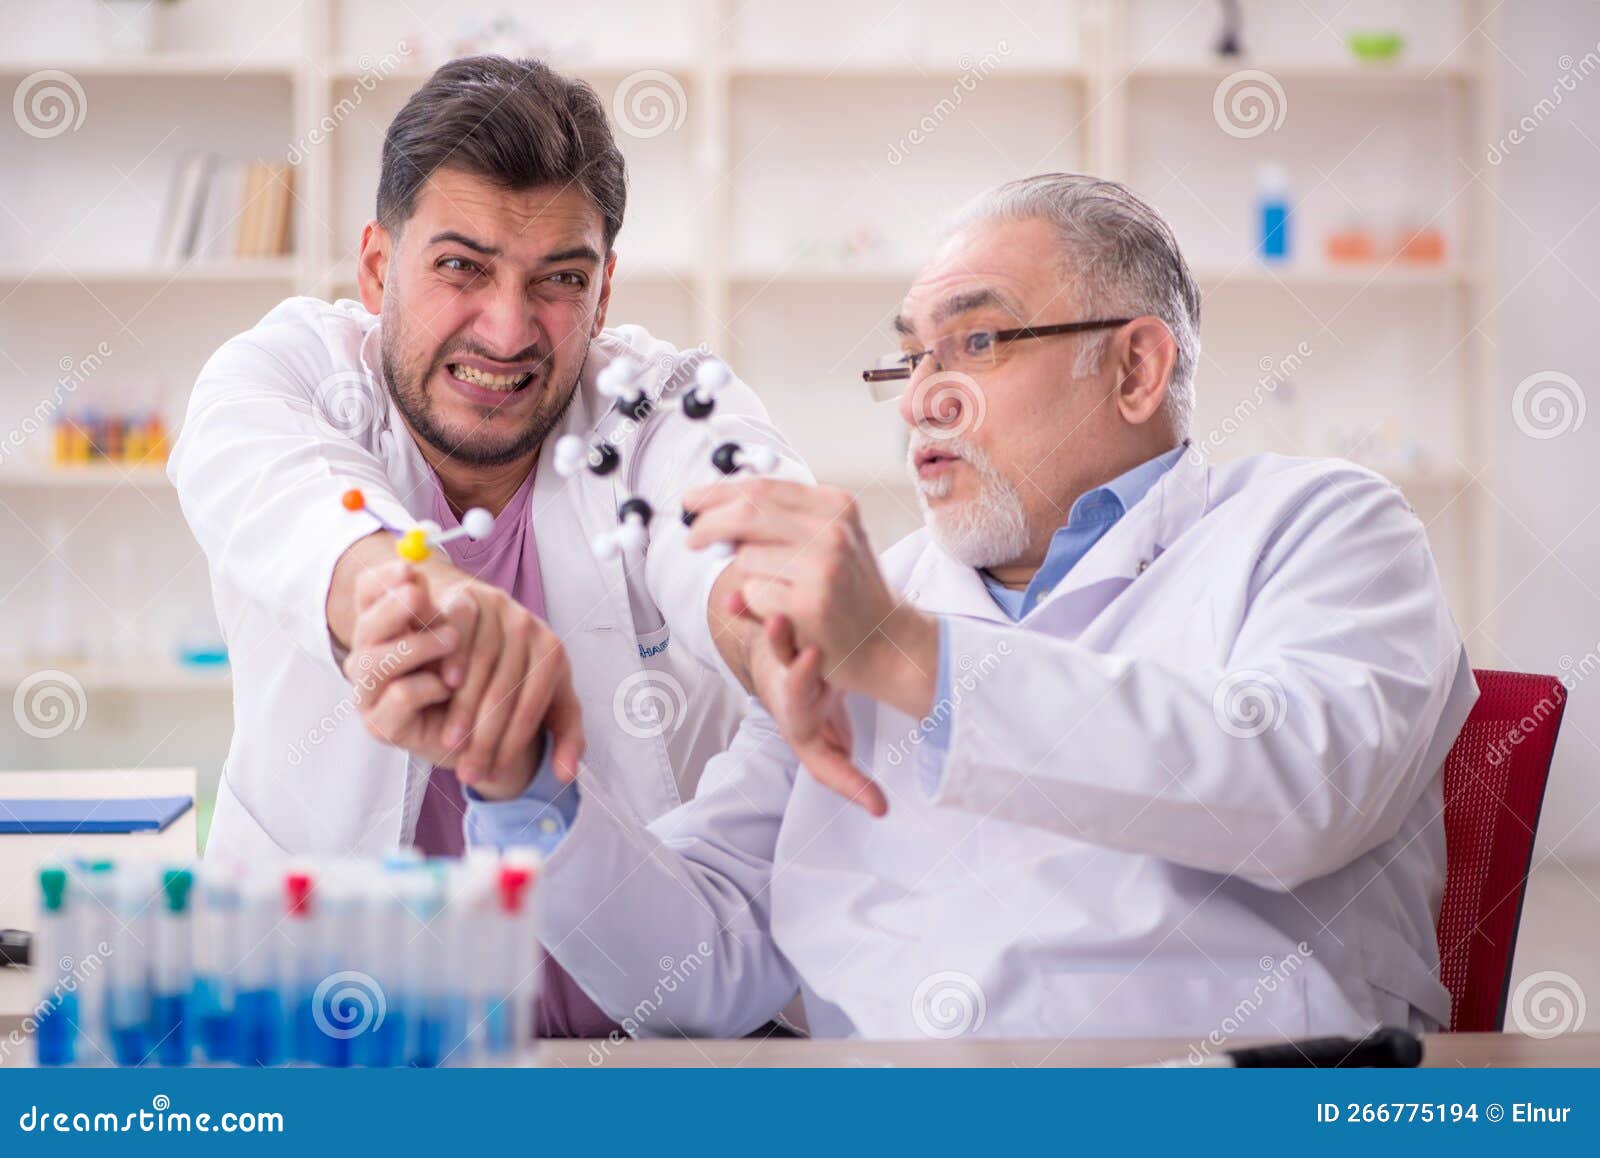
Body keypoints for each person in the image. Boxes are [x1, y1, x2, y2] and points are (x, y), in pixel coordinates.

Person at [427, 172, 1477, 1041]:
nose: (925, 394)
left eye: (975, 344)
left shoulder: (1319, 527)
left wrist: (902, 655)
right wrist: (523, 787)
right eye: (912, 355)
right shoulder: (877, 604)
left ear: (1135, 367)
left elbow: (1300, 791)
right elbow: (704, 968)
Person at [170, 56, 805, 862]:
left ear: (603, 295)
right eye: (461, 268)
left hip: (639, 987)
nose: (507, 332)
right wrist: (425, 606)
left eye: (558, 280)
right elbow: (293, 503)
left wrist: (789, 639)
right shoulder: (284, 374)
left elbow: (742, 538)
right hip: (320, 973)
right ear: (376, 269)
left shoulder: (660, 409)